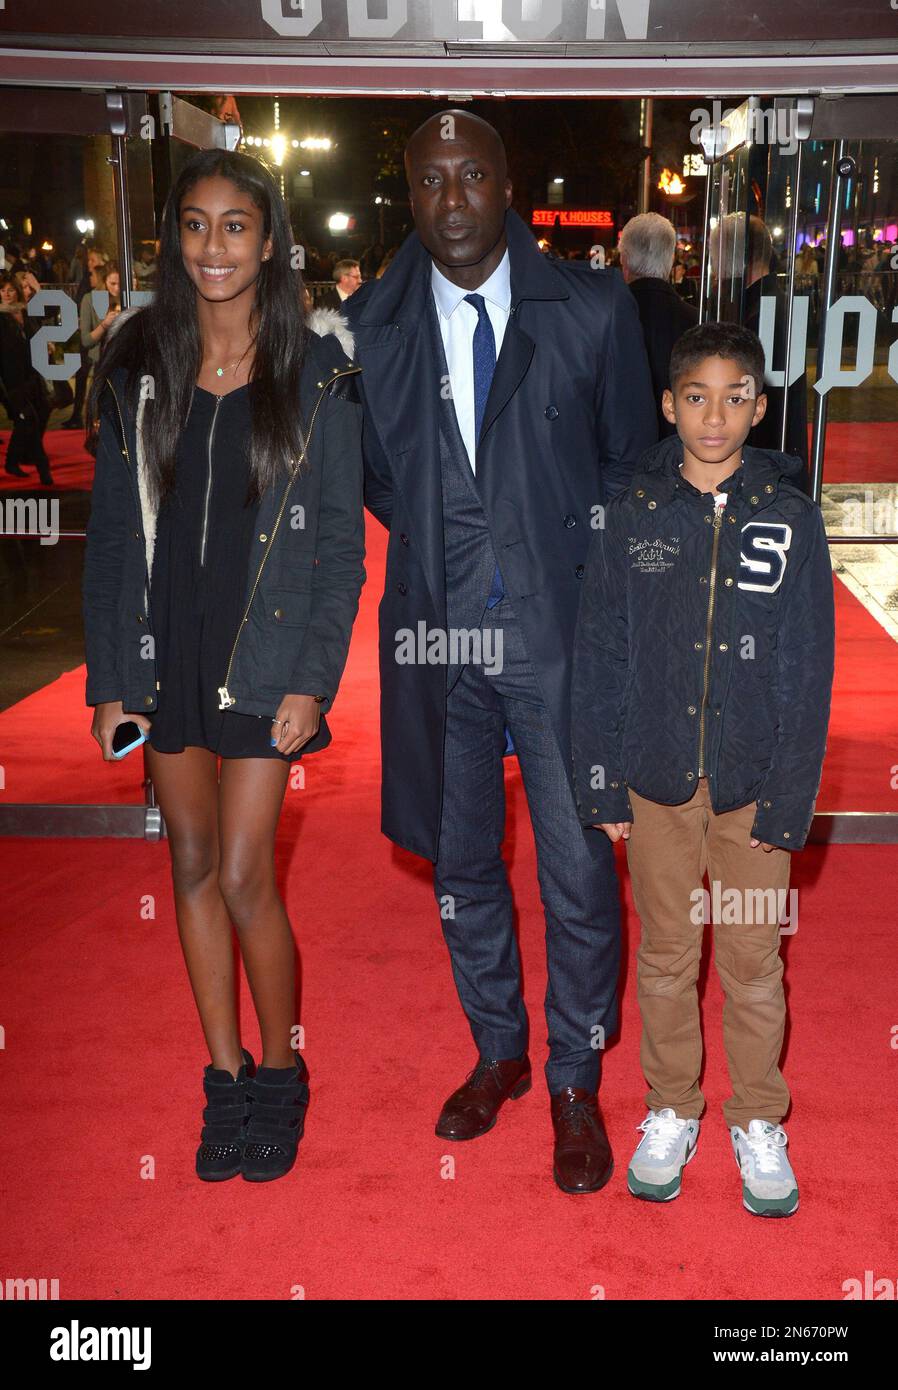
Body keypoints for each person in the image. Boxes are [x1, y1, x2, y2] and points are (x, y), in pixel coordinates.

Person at [344, 109, 657, 1194]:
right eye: (431, 180)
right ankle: (499, 1050)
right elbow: (379, 479)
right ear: (410, 196)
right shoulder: (372, 326)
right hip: (438, 638)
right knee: (462, 860)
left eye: (472, 174)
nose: (453, 198)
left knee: (578, 866)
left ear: (506, 183)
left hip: (560, 636)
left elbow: (630, 469)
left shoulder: (591, 308)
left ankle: (575, 1077)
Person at [82, 148, 366, 1184]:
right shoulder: (137, 368)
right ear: (175, 241)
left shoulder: (318, 373)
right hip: (165, 652)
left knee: (246, 873)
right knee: (191, 864)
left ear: (270, 242)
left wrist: (314, 680)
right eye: (196, 225)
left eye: (236, 226)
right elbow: (114, 538)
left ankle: (281, 1074)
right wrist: (109, 678)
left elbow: (341, 547)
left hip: (265, 656)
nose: (214, 246)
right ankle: (224, 1073)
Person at [571, 321, 835, 1217]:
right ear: (668, 404)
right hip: (656, 783)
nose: (714, 416)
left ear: (760, 408)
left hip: (755, 787)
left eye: (734, 398)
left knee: (754, 963)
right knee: (666, 956)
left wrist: (791, 796)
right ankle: (671, 1107)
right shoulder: (632, 511)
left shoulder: (791, 518)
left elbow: (808, 665)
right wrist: (600, 778)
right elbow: (601, 650)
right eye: (696, 397)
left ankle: (757, 1117)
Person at [619, 213, 699, 439]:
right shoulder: (698, 322)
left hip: (621, 448)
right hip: (681, 446)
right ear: (671, 260)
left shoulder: (604, 319)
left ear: (624, 260)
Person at [0, 270, 52, 484]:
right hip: (11, 382)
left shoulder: (26, 312)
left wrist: (38, 288)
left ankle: (12, 461)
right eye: (2, 290)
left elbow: (50, 311)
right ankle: (44, 469)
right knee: (29, 420)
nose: (6, 294)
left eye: (11, 290)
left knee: (29, 420)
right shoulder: (1, 318)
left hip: (32, 377)